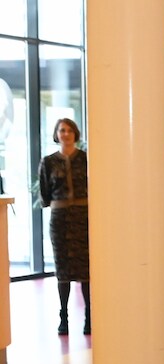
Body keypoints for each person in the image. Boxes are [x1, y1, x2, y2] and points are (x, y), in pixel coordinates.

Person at [38, 118, 90, 335]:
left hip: (84, 217)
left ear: (75, 133)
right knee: (63, 269)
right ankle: (64, 317)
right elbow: (44, 193)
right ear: (56, 134)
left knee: (87, 269)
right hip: (59, 218)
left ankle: (89, 317)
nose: (66, 134)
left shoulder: (86, 159)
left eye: (69, 130)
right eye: (62, 130)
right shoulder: (48, 162)